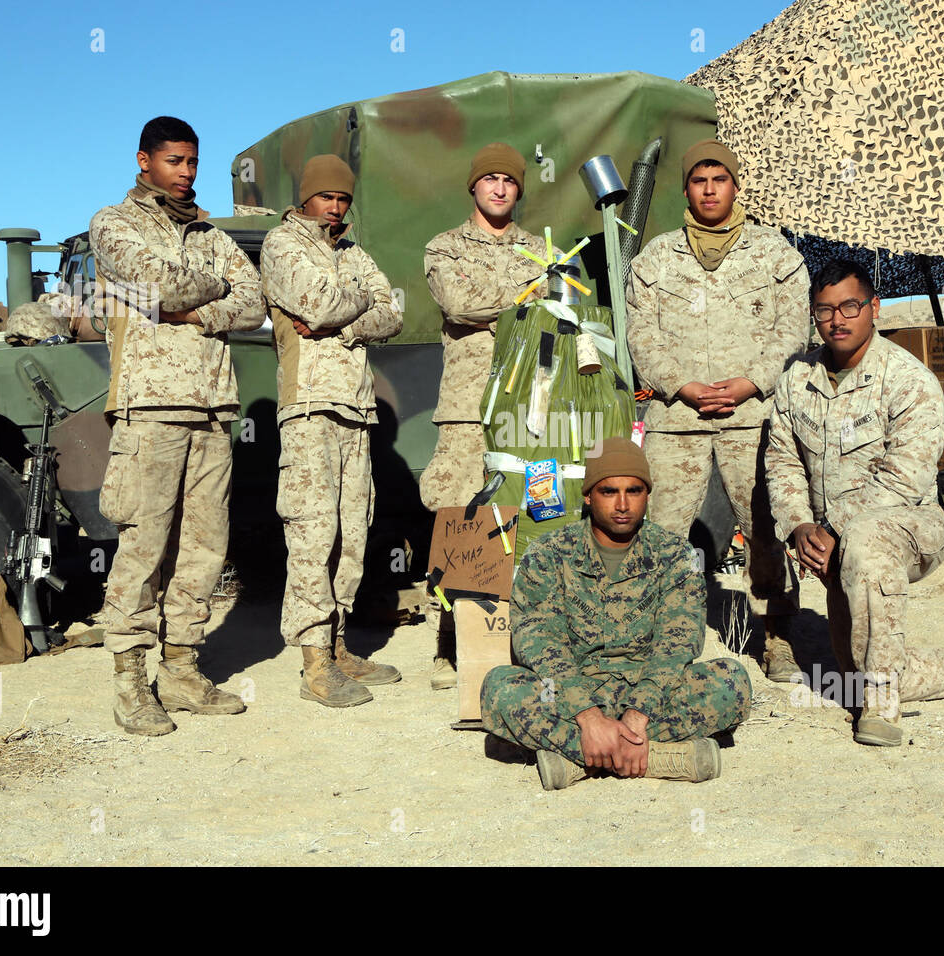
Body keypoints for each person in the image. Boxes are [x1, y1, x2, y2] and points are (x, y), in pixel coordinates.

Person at [764, 259, 944, 747]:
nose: (838, 319)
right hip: (832, 542)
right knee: (856, 675)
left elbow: (904, 477)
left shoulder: (908, 379)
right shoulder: (796, 379)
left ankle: (883, 710)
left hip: (910, 526)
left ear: (874, 308)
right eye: (825, 309)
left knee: (867, 543)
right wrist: (798, 526)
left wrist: (832, 529)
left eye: (850, 306)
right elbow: (782, 458)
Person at [90, 116, 264, 735]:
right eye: (174, 162)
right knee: (144, 544)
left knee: (204, 546)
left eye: (192, 162)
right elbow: (153, 281)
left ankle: (183, 669)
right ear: (144, 161)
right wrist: (206, 292)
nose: (186, 173)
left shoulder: (212, 234)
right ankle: (130, 681)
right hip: (152, 404)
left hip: (214, 406)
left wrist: (191, 306)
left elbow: (253, 304)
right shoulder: (114, 223)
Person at [626, 139, 809, 682]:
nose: (710, 190)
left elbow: (793, 327)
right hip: (675, 420)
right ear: (686, 189)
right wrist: (680, 385)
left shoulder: (775, 253)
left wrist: (751, 381)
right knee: (658, 527)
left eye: (719, 179)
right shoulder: (656, 257)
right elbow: (640, 333)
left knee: (763, 526)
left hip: (751, 416)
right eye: (699, 180)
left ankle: (776, 634)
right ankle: (647, 633)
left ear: (735, 184)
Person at [481, 437, 751, 790]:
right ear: (589, 495)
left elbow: (677, 643)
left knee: (732, 680)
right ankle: (656, 757)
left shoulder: (673, 554)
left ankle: (580, 759)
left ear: (647, 495)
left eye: (634, 491)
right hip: (571, 689)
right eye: (609, 492)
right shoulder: (549, 554)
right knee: (499, 688)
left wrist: (639, 713)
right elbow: (539, 641)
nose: (622, 505)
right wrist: (588, 716)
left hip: (651, 689)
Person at [261, 154, 403, 707]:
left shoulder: (352, 252)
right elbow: (315, 303)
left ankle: (339, 644)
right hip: (309, 405)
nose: (337, 207)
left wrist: (342, 319)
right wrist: (348, 305)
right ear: (307, 198)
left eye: (344, 199)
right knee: (312, 532)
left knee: (352, 531)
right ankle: (314, 662)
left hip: (357, 407)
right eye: (327, 198)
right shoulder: (284, 244)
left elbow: (390, 313)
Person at [421, 142, 548, 690]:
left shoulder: (542, 249)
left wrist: (521, 295)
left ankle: (516, 635)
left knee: (526, 511)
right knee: (462, 517)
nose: (500, 188)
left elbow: (555, 314)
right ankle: (450, 640)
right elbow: (456, 303)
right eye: (490, 179)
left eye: (510, 180)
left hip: (527, 401)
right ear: (473, 186)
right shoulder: (445, 246)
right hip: (467, 405)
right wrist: (526, 293)